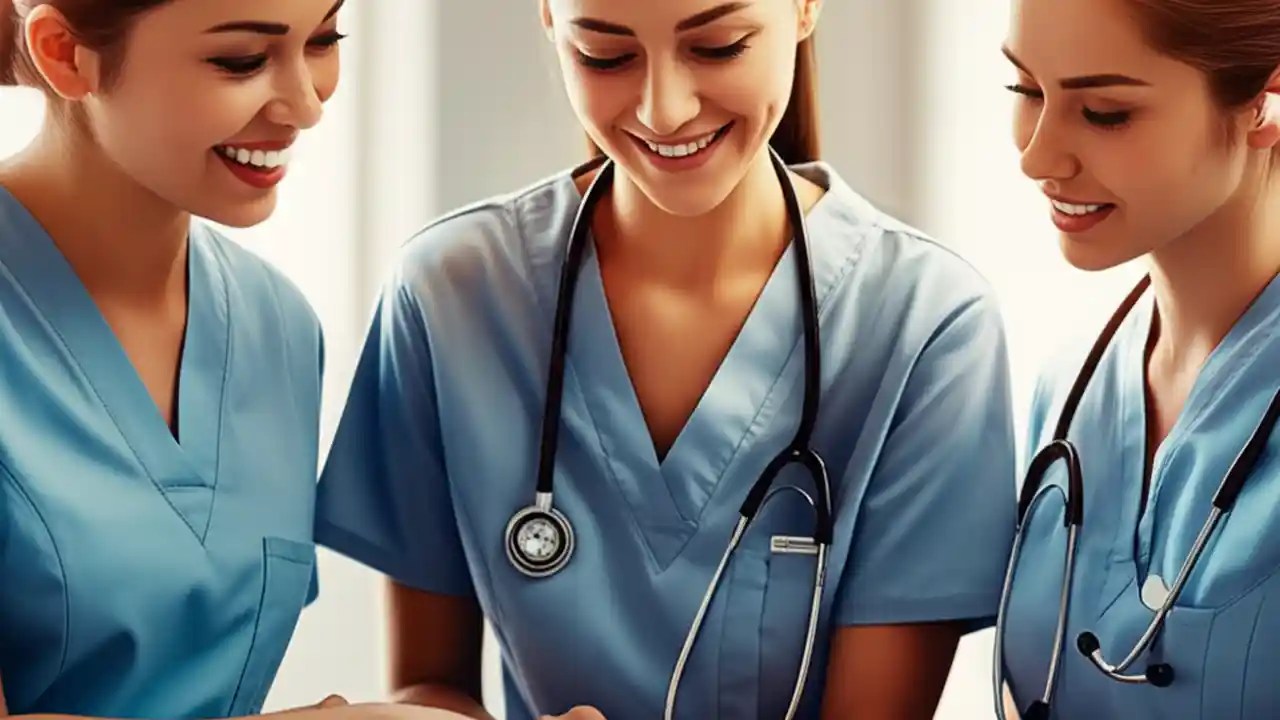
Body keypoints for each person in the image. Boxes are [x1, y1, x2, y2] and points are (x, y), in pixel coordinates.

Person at [315, 0, 1018, 718]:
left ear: (806, 8)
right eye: (605, 57)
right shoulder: (450, 295)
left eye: (718, 47)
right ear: (549, 20)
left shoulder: (928, 324)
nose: (664, 109)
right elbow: (428, 688)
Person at [0, 2, 464, 719]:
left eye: (323, 40)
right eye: (242, 60)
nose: (307, 107)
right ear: (64, 53)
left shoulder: (275, 327)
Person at [996, 0, 1280, 717]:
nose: (1036, 156)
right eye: (1026, 91)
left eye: (1105, 113)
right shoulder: (1068, 392)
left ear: (1266, 105)